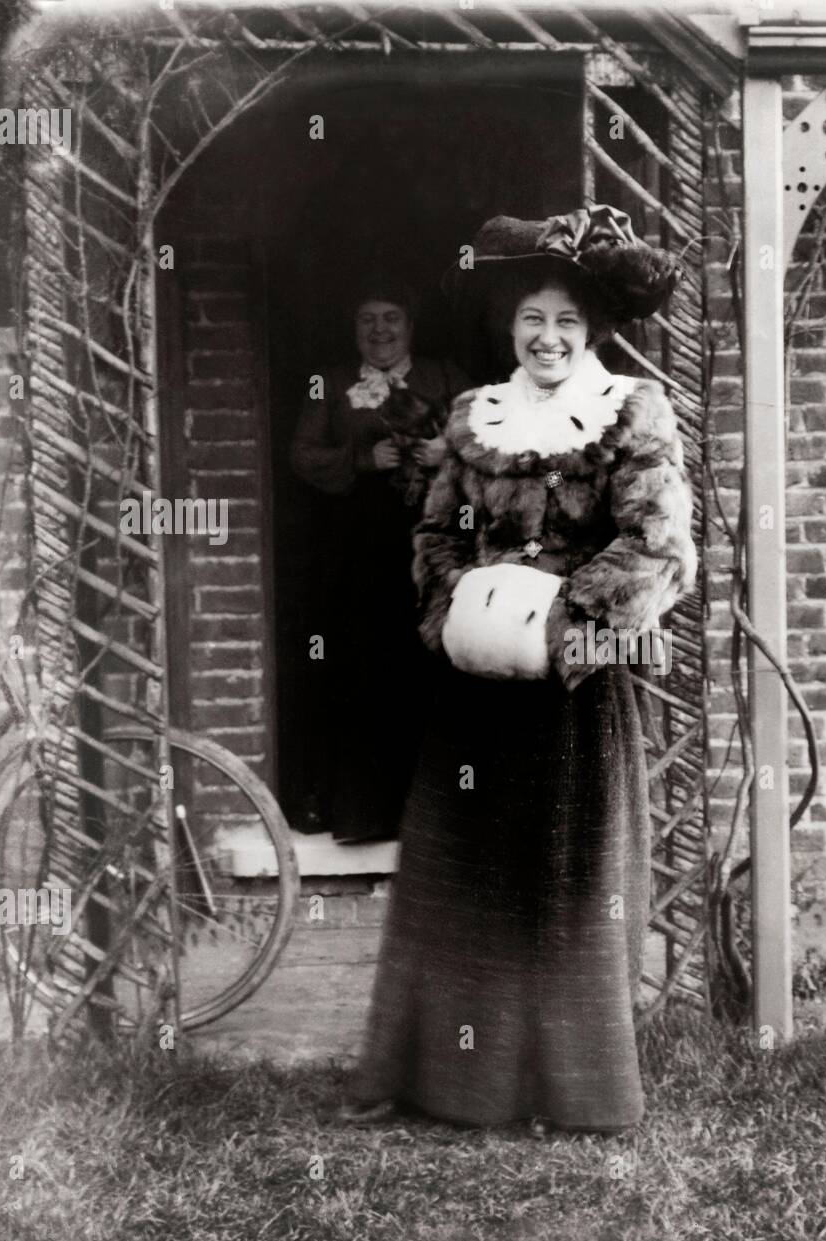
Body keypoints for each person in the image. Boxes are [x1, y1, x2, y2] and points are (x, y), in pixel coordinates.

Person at [345, 206, 695, 1133]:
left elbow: (658, 546)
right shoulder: (473, 419)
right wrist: (459, 608)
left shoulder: (633, 414)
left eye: (568, 323)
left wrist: (563, 621)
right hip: (476, 683)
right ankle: (448, 1082)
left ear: (596, 332)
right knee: (463, 874)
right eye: (533, 320)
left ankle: (561, 1090)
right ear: (510, 326)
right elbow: (435, 532)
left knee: (561, 881)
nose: (548, 338)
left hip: (573, 685)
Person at [290, 284, 469, 842]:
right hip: (360, 552)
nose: (380, 330)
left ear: (411, 324)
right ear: (353, 328)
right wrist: (363, 457)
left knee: (429, 665)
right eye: (367, 319)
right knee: (361, 668)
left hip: (434, 546)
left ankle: (434, 818)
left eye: (391, 317)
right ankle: (365, 813)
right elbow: (301, 454)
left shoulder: (447, 375)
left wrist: (449, 451)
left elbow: (496, 433)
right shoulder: (329, 379)